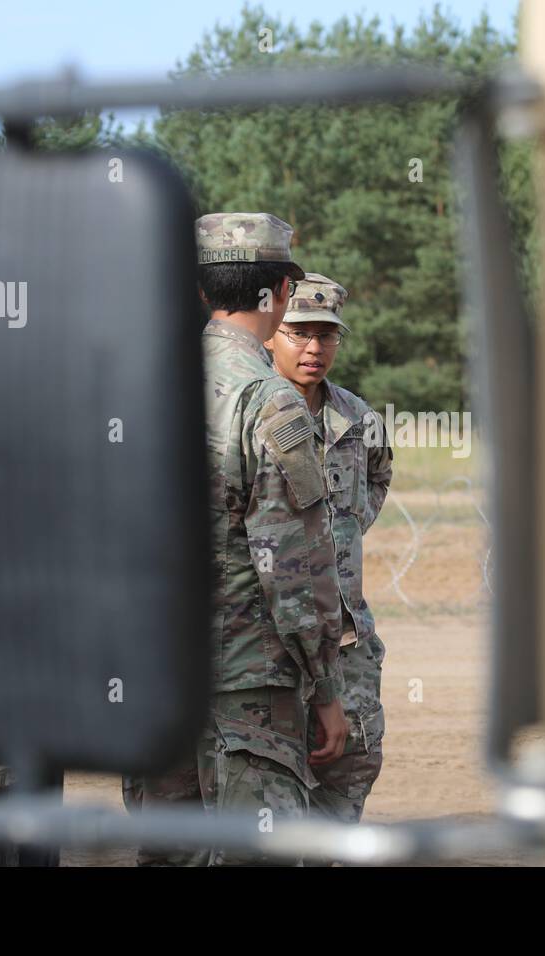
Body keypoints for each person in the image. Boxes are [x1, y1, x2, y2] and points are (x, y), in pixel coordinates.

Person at [137, 213, 348, 867]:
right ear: (282, 293)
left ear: (199, 292)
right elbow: (293, 565)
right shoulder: (270, 403)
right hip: (247, 689)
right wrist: (329, 687)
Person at [265, 273, 392, 831]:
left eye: (327, 335)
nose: (314, 348)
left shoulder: (357, 419)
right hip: (266, 635)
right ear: (271, 332)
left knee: (353, 760)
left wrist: (338, 536)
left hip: (343, 635)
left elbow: (377, 480)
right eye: (299, 333)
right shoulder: (250, 414)